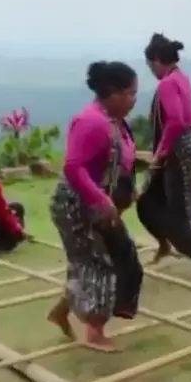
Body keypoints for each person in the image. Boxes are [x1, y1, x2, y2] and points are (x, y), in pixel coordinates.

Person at [48, 61, 144, 350]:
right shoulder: (91, 121)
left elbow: (117, 159)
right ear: (112, 93)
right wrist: (101, 199)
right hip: (77, 203)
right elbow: (73, 167)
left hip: (97, 202)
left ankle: (62, 310)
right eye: (130, 93)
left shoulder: (115, 121)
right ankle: (94, 332)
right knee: (99, 264)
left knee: (121, 257)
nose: (134, 99)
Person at [136, 33, 191, 285]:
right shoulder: (180, 78)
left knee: (182, 211)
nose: (150, 70)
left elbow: (176, 121)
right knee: (148, 200)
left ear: (158, 60)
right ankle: (164, 245)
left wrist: (159, 154)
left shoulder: (168, 83)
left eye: (150, 65)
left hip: (180, 155)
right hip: (181, 151)